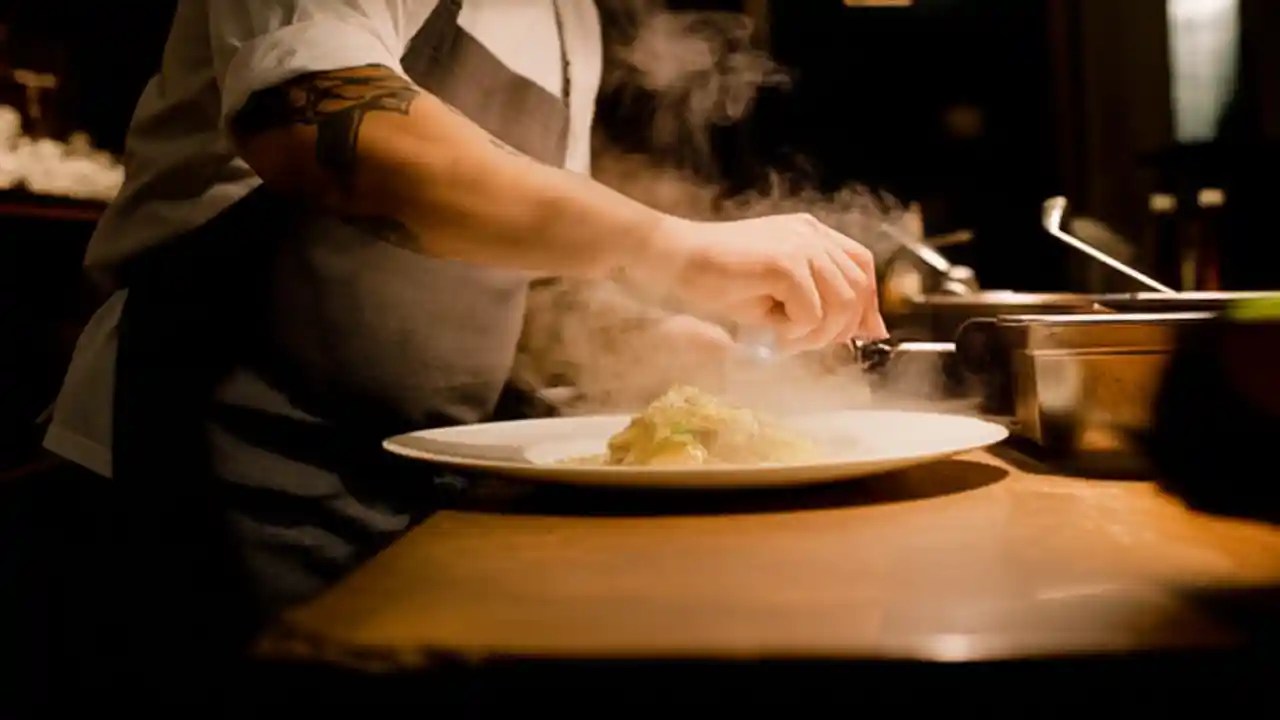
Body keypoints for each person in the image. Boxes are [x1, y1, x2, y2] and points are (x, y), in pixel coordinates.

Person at [40, 0, 885, 686]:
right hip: (209, 463)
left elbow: (529, 260)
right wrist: (673, 246)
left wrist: (656, 340)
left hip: (408, 481)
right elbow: (314, 124)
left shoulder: (572, 21)